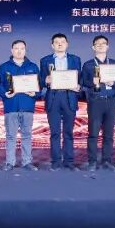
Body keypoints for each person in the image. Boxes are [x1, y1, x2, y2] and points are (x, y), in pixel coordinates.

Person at [80, 35, 115, 171]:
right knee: (93, 133)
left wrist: (114, 83)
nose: (100, 45)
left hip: (111, 102)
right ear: (93, 47)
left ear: (107, 46)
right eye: (97, 44)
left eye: (103, 43)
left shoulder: (114, 63)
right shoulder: (88, 65)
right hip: (95, 102)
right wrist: (92, 83)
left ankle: (107, 160)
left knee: (109, 134)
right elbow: (83, 83)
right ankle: (92, 161)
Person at [39, 33, 82, 171]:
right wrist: (45, 81)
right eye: (56, 42)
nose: (59, 44)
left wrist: (78, 86)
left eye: (62, 41)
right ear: (52, 45)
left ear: (67, 44)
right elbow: (40, 81)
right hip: (53, 97)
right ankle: (56, 161)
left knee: (69, 132)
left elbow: (80, 78)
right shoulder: (45, 60)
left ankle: (69, 161)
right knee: (55, 132)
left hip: (69, 97)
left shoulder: (75, 59)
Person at [0, 39, 40, 171]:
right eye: (16, 48)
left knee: (27, 135)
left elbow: (39, 86)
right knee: (11, 136)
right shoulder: (4, 67)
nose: (19, 51)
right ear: (12, 50)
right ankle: (10, 162)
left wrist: (35, 93)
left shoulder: (33, 66)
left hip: (27, 106)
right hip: (11, 105)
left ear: (25, 50)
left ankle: (27, 162)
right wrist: (5, 94)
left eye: (22, 48)